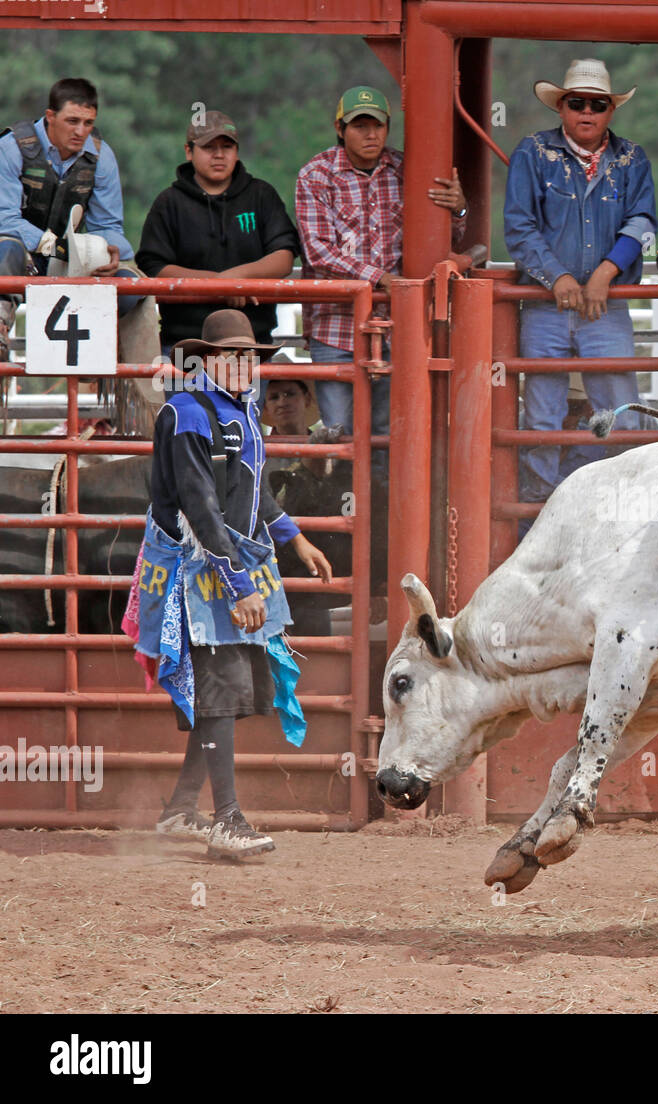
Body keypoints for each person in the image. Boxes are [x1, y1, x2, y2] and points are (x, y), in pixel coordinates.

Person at [133, 310, 332, 858]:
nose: (244, 366)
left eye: (251, 357)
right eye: (232, 356)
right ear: (208, 360)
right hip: (196, 567)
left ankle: (180, 808)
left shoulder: (241, 415)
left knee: (223, 690)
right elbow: (199, 507)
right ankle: (227, 819)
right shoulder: (188, 414)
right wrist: (241, 585)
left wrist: (295, 539)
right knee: (219, 685)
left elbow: (254, 492)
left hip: (225, 563)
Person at [504, 59, 656, 509]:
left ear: (610, 110)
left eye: (597, 104)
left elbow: (643, 222)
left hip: (601, 305)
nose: (586, 112)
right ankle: (539, 515)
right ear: (562, 108)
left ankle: (616, 506)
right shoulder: (532, 153)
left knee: (620, 414)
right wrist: (560, 276)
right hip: (547, 305)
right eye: (577, 103)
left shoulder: (632, 158)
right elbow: (518, 226)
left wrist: (607, 272)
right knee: (542, 419)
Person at [296, 85, 468, 449]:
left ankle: (381, 506)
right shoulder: (316, 175)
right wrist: (382, 279)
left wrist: (459, 209)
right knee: (340, 433)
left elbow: (445, 238)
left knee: (390, 433)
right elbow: (317, 252)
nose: (370, 134)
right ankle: (344, 502)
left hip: (398, 324)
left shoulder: (409, 169)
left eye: (377, 125)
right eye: (359, 125)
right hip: (337, 323)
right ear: (340, 129)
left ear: (388, 127)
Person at [137, 110, 299, 356]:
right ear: (188, 151)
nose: (219, 154)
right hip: (185, 344)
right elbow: (154, 267)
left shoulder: (261, 195)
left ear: (237, 151)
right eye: (208, 147)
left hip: (252, 343)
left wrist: (236, 279)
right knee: (185, 397)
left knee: (248, 396)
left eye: (227, 146)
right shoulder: (169, 203)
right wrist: (219, 285)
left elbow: (284, 255)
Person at [0, 78, 139, 360]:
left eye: (88, 123)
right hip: (19, 256)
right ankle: (0, 329)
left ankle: (100, 351)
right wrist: (53, 246)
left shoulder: (102, 156)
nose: (80, 131)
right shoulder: (11, 147)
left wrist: (112, 251)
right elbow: (4, 220)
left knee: (131, 284)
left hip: (72, 261)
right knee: (7, 249)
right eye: (72, 120)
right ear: (50, 116)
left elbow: (108, 226)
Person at [261, 374, 353, 635]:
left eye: (290, 394)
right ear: (266, 407)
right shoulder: (257, 450)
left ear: (307, 399)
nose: (282, 402)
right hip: (272, 569)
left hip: (316, 568)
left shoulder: (336, 449)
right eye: (274, 397)